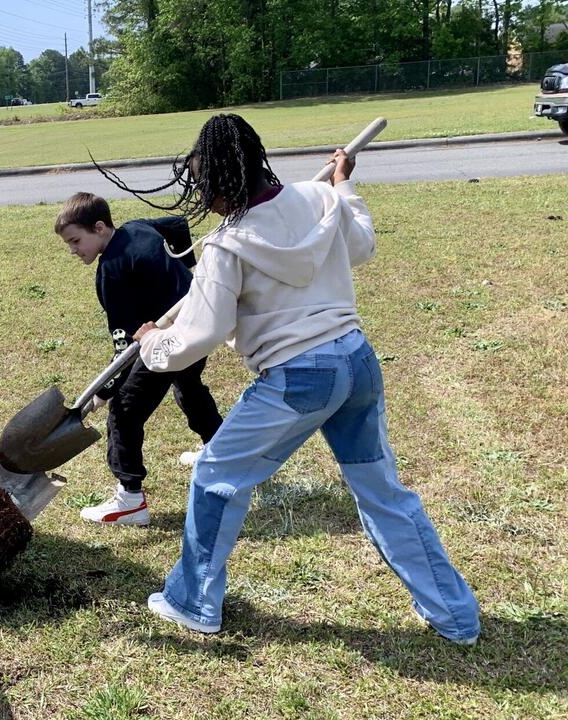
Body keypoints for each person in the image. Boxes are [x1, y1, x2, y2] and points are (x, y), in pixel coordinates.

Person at [123, 114, 480, 643]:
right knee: (383, 493)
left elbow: (200, 334)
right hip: (357, 363)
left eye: (205, 185)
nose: (205, 197)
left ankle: (193, 602)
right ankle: (456, 616)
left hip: (300, 378)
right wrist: (344, 185)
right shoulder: (320, 200)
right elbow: (360, 246)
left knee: (215, 478)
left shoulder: (228, 244)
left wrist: (152, 341)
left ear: (226, 177)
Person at [54, 193, 224, 526]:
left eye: (76, 240)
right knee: (188, 385)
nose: (73, 250)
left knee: (124, 410)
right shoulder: (137, 228)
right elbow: (176, 226)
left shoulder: (112, 271)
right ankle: (222, 452)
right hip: (201, 321)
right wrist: (186, 273)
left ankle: (130, 500)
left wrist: (105, 391)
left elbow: (127, 348)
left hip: (175, 336)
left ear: (100, 227)